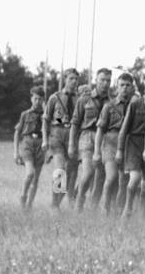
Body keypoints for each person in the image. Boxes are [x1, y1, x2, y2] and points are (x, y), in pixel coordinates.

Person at [68, 67, 111, 212]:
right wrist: (71, 145)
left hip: (103, 139)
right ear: (96, 81)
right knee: (85, 172)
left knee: (100, 176)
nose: (105, 83)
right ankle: (67, 201)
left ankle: (92, 207)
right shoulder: (83, 99)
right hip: (85, 137)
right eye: (102, 80)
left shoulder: (111, 102)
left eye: (108, 81)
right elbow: (74, 122)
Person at [119, 73, 145, 218]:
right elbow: (124, 129)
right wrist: (119, 150)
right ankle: (128, 208)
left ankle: (142, 214)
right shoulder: (135, 104)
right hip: (134, 144)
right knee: (134, 178)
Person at [94, 72, 133, 215]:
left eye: (128, 85)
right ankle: (103, 207)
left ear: (132, 87)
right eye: (122, 85)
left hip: (128, 144)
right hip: (109, 143)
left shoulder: (134, 106)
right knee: (111, 177)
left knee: (124, 181)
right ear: (116, 87)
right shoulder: (108, 106)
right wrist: (97, 151)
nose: (124, 88)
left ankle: (118, 208)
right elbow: (100, 130)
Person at [44, 68, 80, 209]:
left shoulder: (80, 99)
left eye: (76, 79)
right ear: (65, 79)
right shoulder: (55, 97)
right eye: (71, 78)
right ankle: (55, 203)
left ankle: (64, 202)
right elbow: (47, 119)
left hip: (73, 137)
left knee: (72, 173)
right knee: (60, 170)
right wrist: (45, 140)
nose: (74, 81)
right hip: (57, 135)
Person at [13, 86, 47, 209]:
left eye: (40, 99)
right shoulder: (25, 114)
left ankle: (29, 205)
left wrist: (47, 112)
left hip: (41, 144)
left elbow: (60, 122)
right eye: (36, 99)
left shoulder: (47, 115)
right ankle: (23, 196)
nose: (38, 102)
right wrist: (15, 152)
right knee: (30, 173)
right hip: (27, 143)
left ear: (44, 100)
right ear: (31, 99)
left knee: (36, 178)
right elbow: (17, 132)